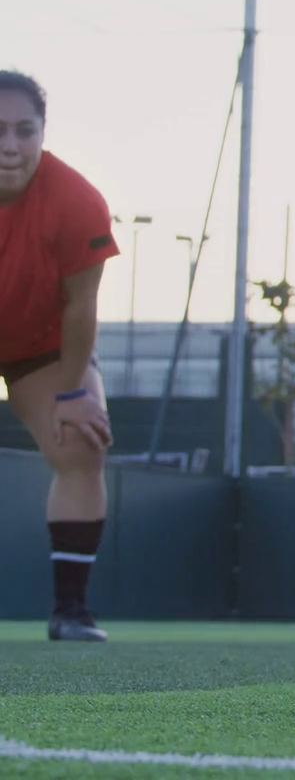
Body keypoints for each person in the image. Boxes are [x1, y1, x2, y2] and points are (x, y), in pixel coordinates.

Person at [0, 69, 118, 643]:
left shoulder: (77, 201)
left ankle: (70, 612)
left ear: (43, 133)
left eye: (24, 130)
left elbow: (82, 304)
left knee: (81, 441)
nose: (9, 145)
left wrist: (72, 393)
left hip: (40, 342)